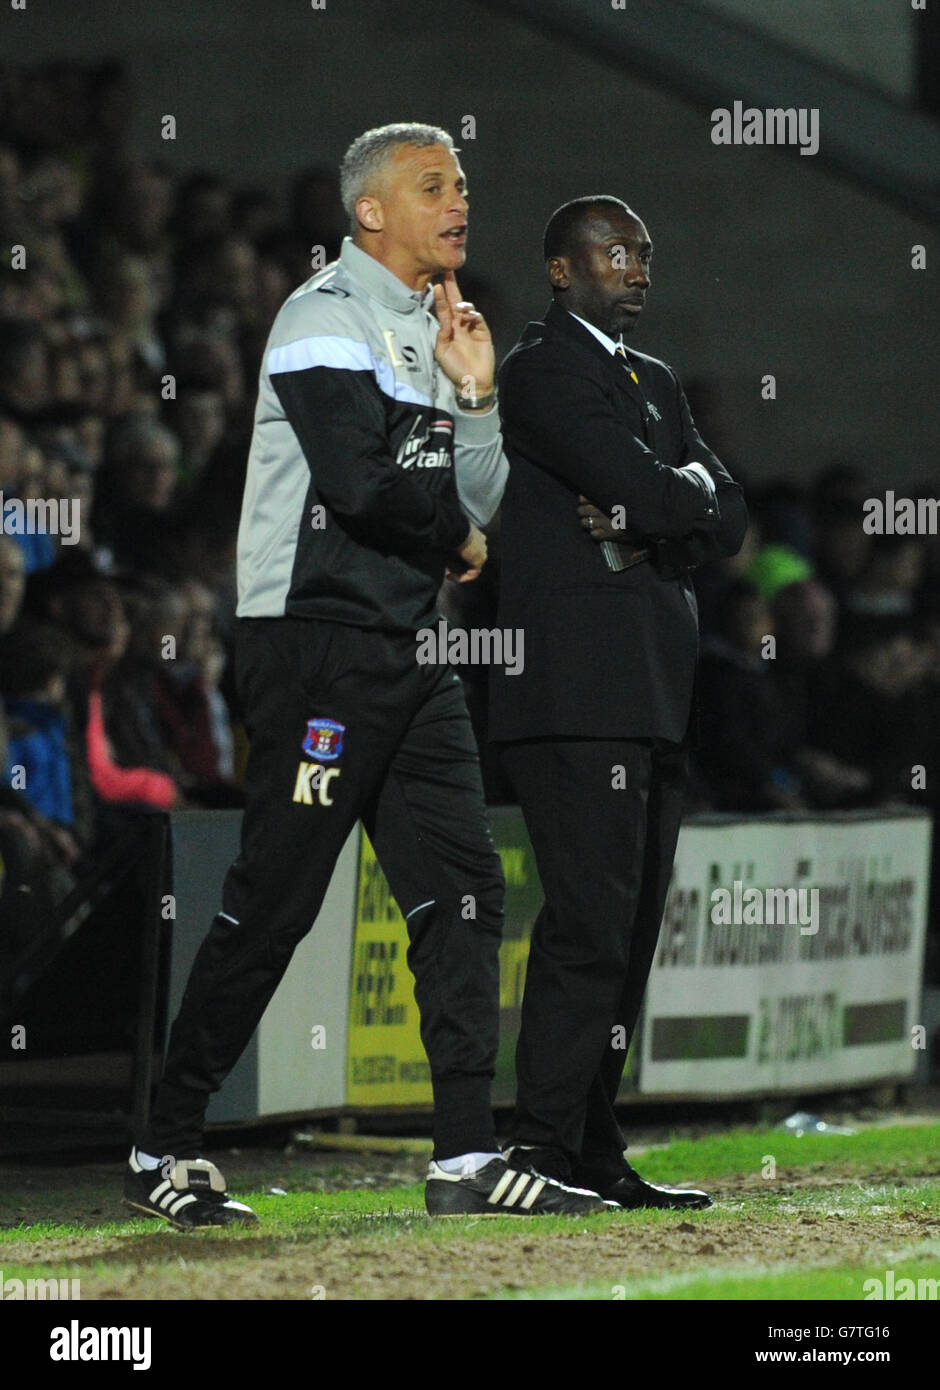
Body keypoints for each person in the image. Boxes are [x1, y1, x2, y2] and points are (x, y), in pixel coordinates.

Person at [124, 126, 611, 1228]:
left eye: (465, 184)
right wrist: (455, 536)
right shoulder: (320, 320)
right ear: (371, 213)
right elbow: (355, 483)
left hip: (409, 649)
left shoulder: (433, 329)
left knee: (466, 887)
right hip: (316, 644)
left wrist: (476, 399)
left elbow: (473, 500)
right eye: (433, 186)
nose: (460, 202)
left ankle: (461, 1157)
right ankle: (166, 1141)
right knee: (277, 900)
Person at [490, 195, 747, 1207]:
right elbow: (634, 486)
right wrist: (665, 505)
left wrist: (661, 512)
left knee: (629, 929)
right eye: (612, 251)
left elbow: (727, 509)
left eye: (642, 252)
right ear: (560, 269)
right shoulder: (543, 366)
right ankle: (540, 1152)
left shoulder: (654, 378)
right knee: (590, 922)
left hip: (650, 690)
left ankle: (591, 1150)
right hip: (575, 689)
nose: (635, 267)